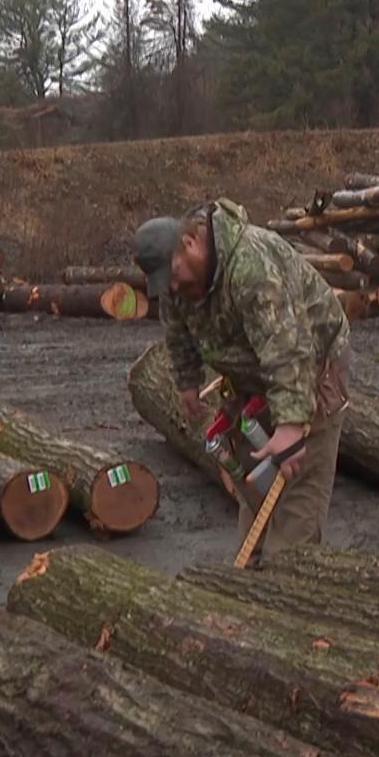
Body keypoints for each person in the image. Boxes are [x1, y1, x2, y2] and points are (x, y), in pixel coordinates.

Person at [136, 199, 350, 563]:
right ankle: (251, 570)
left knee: (296, 481)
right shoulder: (175, 281)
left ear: (190, 244)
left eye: (174, 276)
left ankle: (286, 579)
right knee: (255, 482)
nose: (172, 288)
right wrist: (187, 381)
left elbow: (288, 348)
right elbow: (178, 331)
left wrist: (292, 423)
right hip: (253, 376)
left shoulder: (251, 264)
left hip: (310, 367)